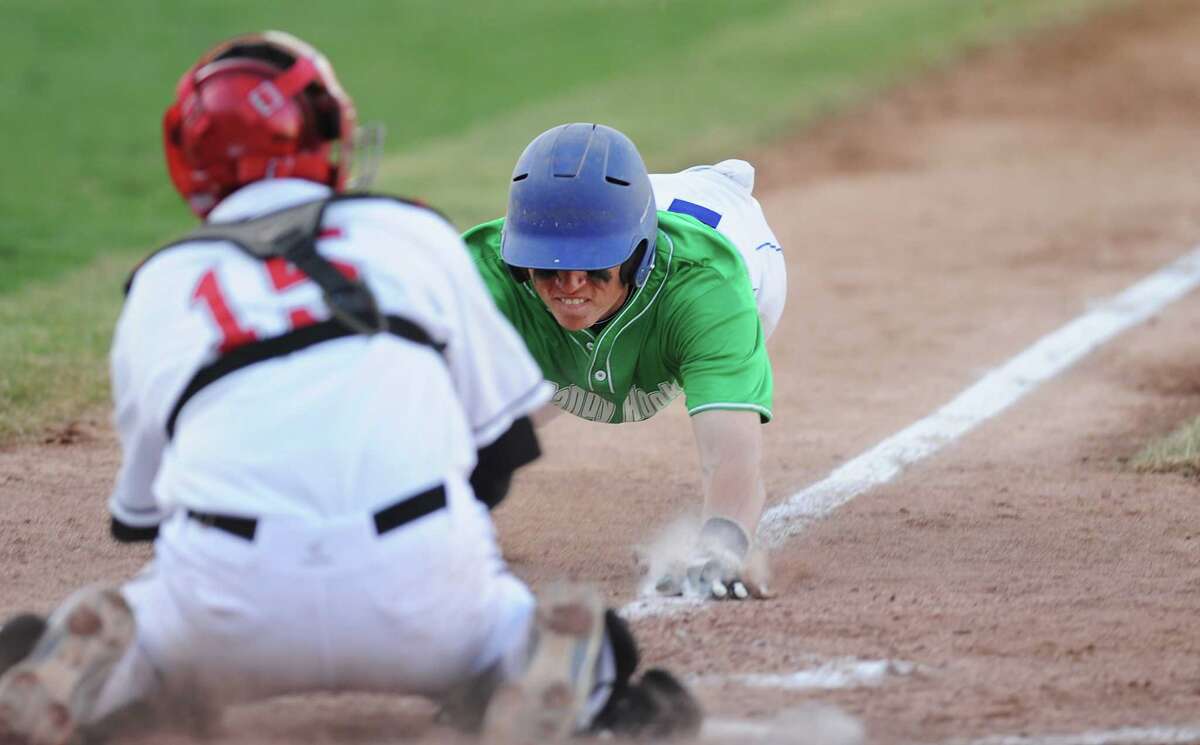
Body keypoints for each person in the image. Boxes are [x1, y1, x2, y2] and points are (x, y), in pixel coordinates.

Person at [0, 34, 699, 744]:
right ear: (327, 137)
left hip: (227, 603)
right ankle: (536, 674)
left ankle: (94, 684)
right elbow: (501, 452)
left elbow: (140, 518)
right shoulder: (415, 233)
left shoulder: (159, 284)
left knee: (130, 629)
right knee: (586, 641)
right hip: (421, 590)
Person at [462, 123, 787, 602]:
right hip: (620, 213)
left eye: (593, 264)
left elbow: (732, 453)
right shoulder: (478, 273)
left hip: (738, 242)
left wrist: (721, 545)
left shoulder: (710, 291)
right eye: (548, 264)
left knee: (714, 380)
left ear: (636, 255)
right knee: (494, 403)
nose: (570, 283)